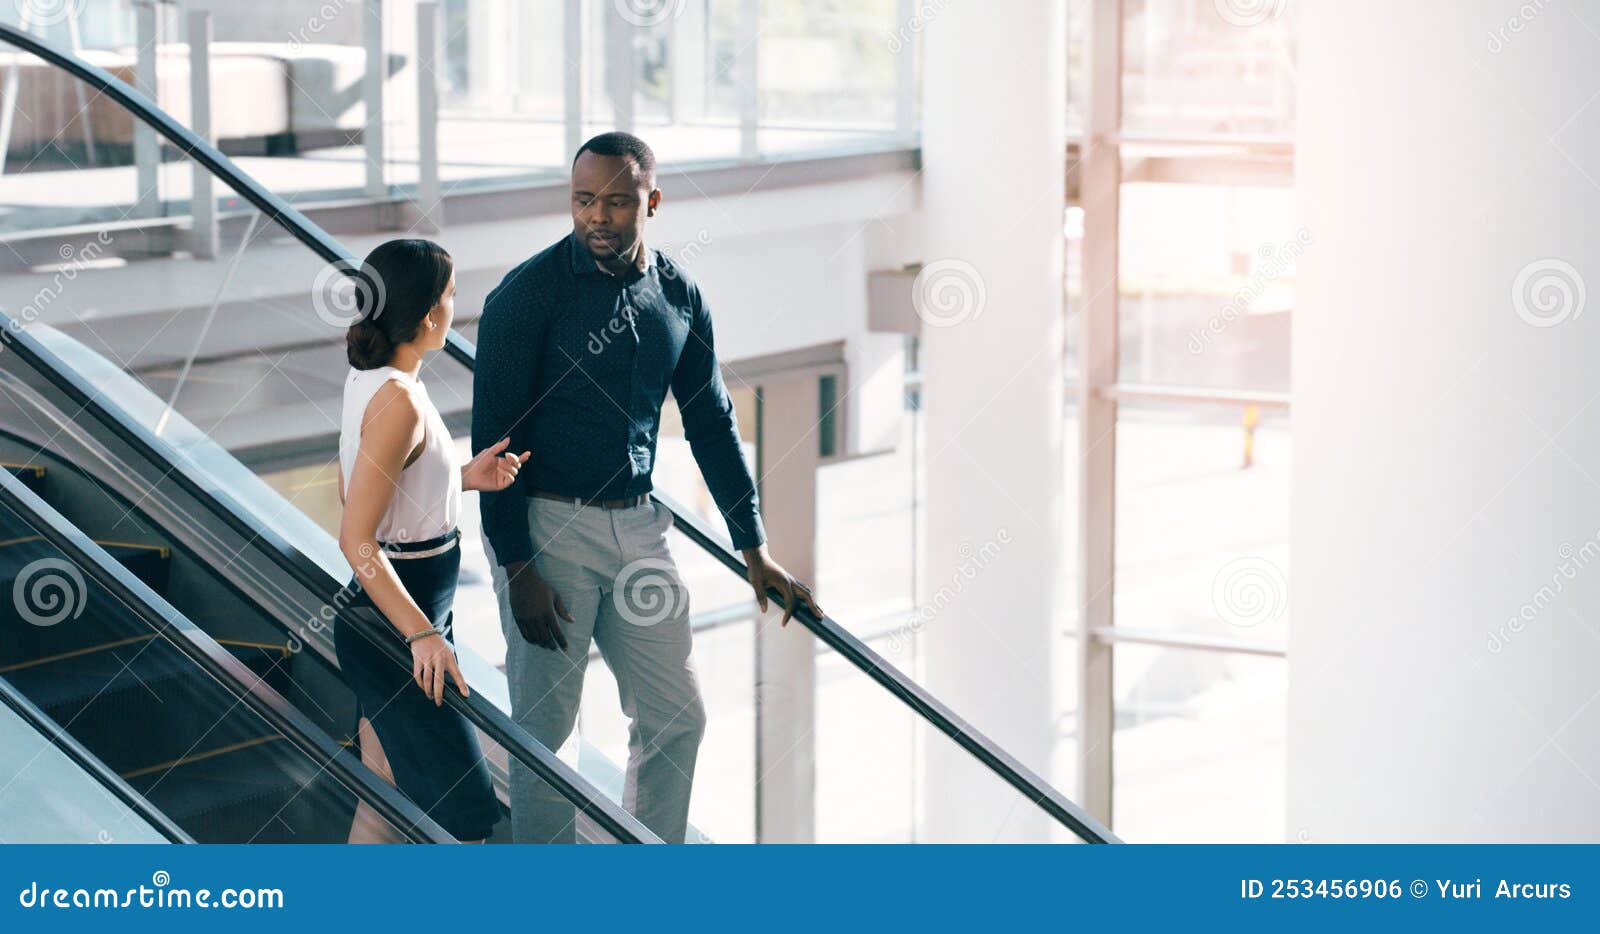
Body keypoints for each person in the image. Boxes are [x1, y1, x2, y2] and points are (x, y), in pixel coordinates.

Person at [472, 132, 822, 844]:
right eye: (583, 200)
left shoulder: (679, 295)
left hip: (639, 528)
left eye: (617, 202)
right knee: (546, 736)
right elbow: (493, 447)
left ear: (651, 202)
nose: (597, 216)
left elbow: (713, 424)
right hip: (545, 528)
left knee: (677, 719)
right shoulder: (525, 296)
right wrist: (518, 568)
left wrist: (753, 547)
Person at [335, 238, 530, 843]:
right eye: (450, 295)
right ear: (426, 315)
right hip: (401, 622)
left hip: (404, 613)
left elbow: (377, 487)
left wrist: (463, 479)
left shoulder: (377, 381)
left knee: (384, 786)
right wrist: (421, 634)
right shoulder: (399, 403)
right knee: (468, 815)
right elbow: (356, 536)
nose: (455, 307)